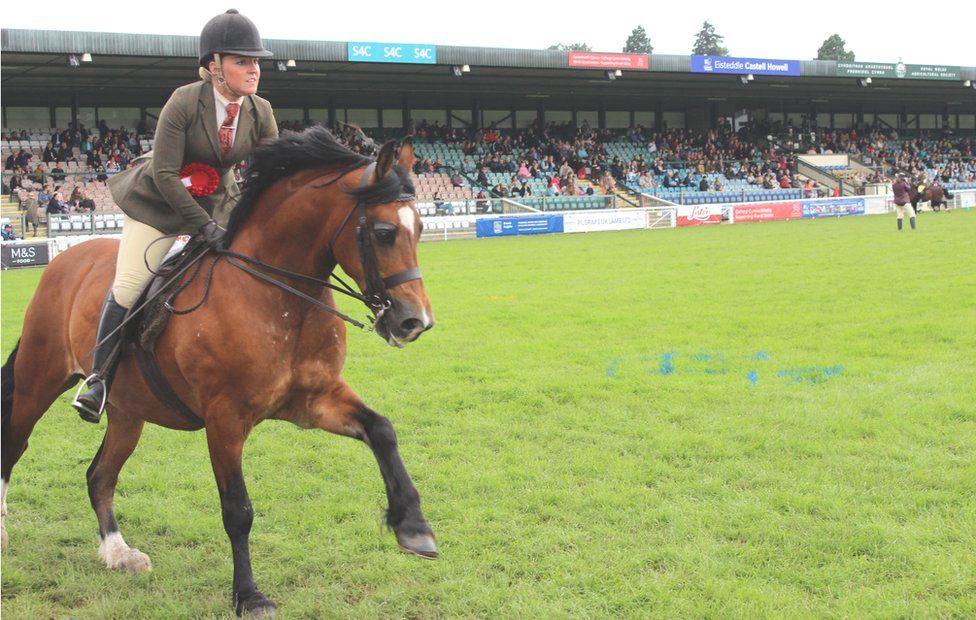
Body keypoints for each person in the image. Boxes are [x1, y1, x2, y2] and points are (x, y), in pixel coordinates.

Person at [71, 9, 278, 423]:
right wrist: (204, 227)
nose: (254, 69)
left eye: (256, 61)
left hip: (220, 202)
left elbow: (270, 170)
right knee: (130, 286)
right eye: (243, 61)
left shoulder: (260, 110)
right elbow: (165, 174)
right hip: (161, 203)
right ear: (214, 66)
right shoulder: (184, 101)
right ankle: (98, 379)